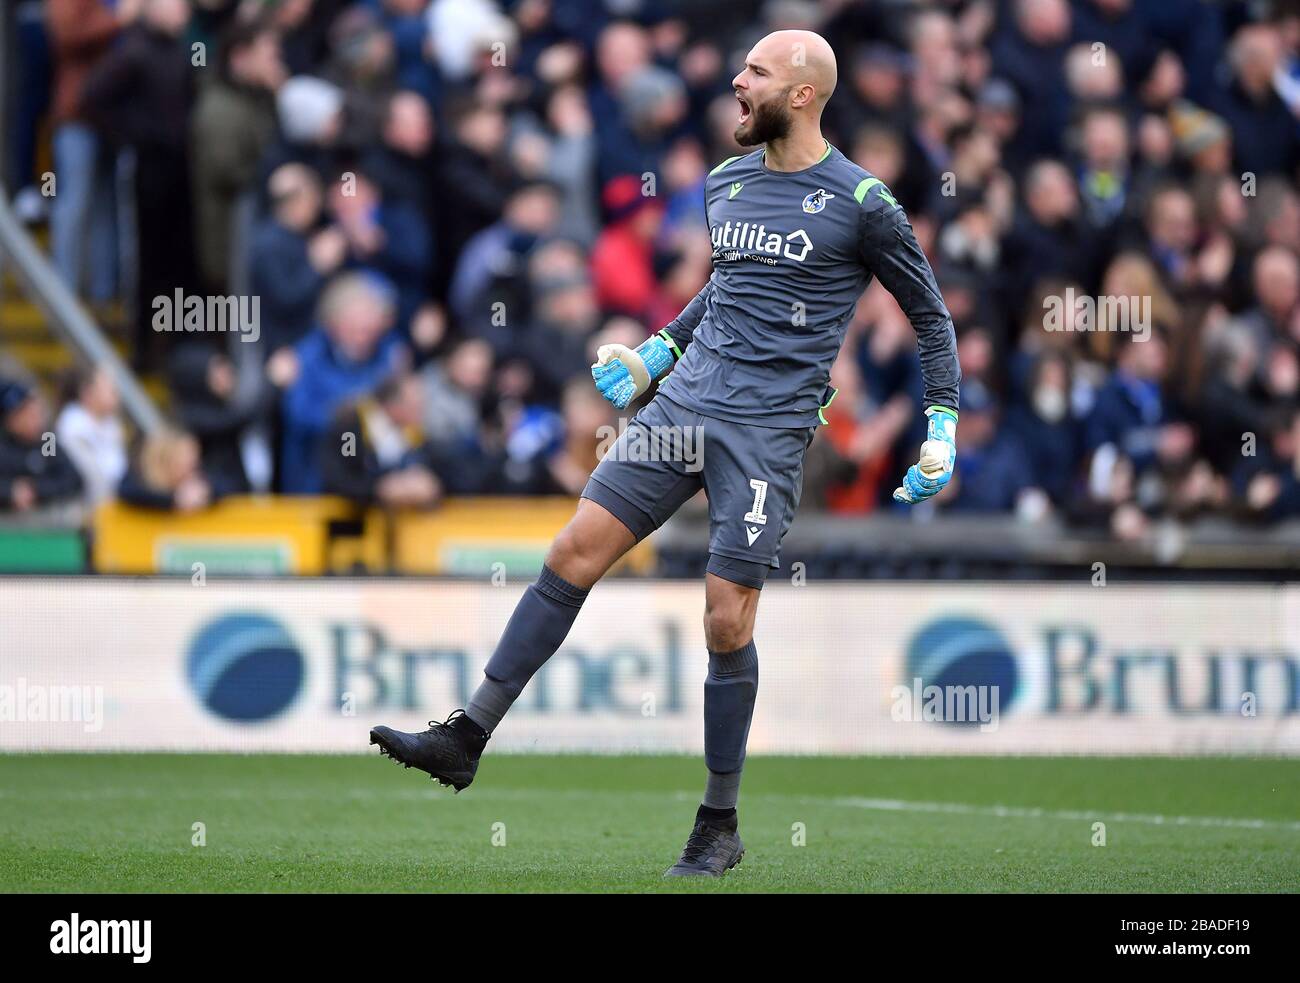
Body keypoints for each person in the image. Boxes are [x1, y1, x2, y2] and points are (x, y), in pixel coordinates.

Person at [369, 30, 961, 878]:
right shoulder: (724, 183)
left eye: (754, 70)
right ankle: (466, 736)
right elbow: (723, 289)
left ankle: (718, 822)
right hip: (683, 408)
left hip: (765, 430)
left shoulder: (863, 202)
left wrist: (939, 426)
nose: (736, 77)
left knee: (727, 617)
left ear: (801, 94)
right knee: (573, 548)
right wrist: (655, 354)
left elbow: (932, 318)